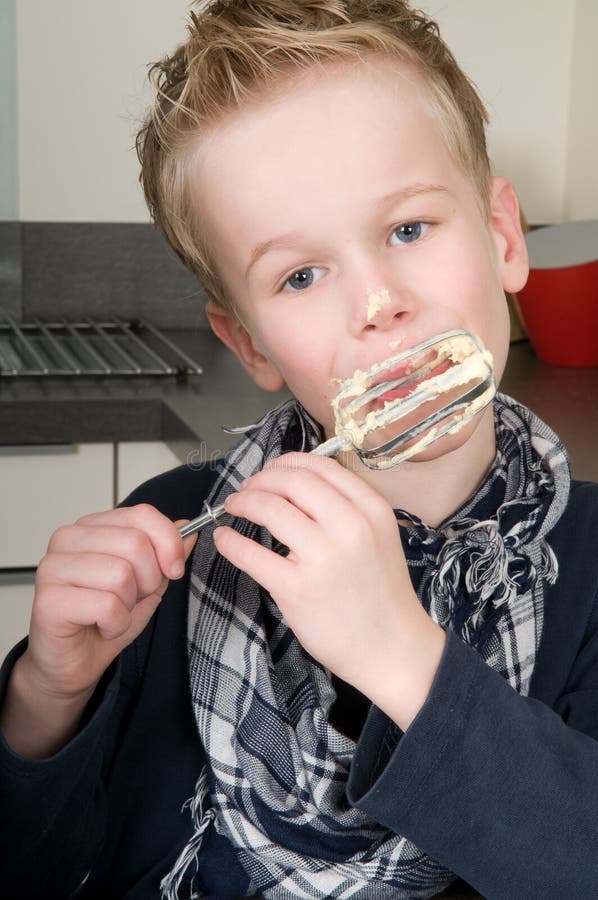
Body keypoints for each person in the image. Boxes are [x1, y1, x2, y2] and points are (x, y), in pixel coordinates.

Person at [1, 2, 597, 897]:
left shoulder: (592, 570)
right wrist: (46, 697)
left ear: (503, 237)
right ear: (249, 345)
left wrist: (402, 656)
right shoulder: (175, 532)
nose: (376, 302)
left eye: (408, 229)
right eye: (301, 276)